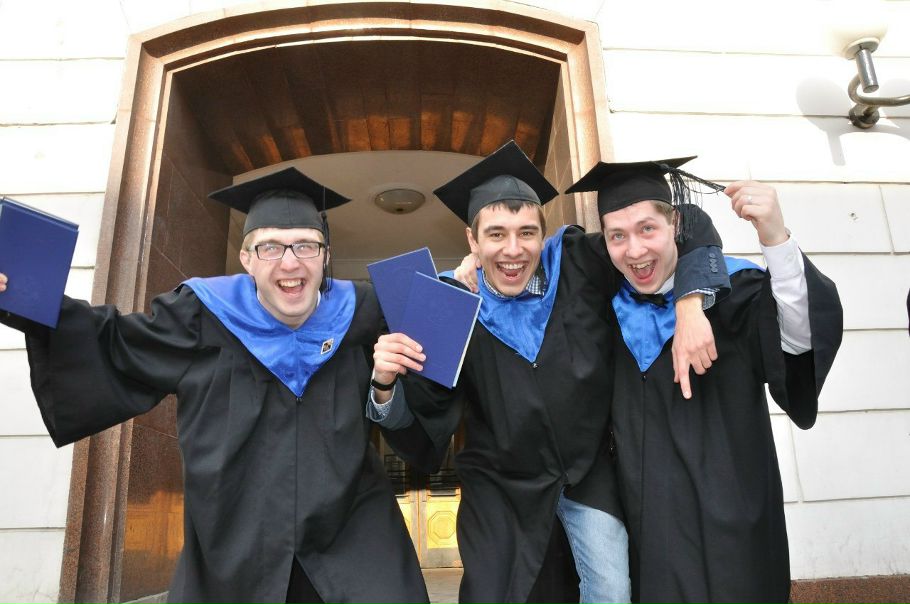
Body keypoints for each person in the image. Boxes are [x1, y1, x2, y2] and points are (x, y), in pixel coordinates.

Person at [0, 168, 429, 604]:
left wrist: (392, 378)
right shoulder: (203, 315)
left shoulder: (361, 314)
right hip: (237, 546)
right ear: (246, 259)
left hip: (351, 538)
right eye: (270, 247)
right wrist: (22, 295)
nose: (290, 262)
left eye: (306, 244)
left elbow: (433, 370)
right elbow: (116, 343)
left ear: (325, 254)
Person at [369, 141, 729, 604]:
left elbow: (685, 226)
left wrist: (690, 303)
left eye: (527, 232)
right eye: (496, 235)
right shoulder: (449, 309)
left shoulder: (578, 263)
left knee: (612, 590)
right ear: (472, 241)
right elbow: (428, 410)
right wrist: (384, 386)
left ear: (544, 234)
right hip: (500, 488)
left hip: (587, 475)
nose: (513, 249)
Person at [567, 159, 843, 604]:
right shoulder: (605, 310)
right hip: (650, 531)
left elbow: (799, 340)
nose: (634, 250)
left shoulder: (735, 295)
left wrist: (775, 237)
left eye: (647, 229)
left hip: (729, 525)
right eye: (617, 236)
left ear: (675, 224)